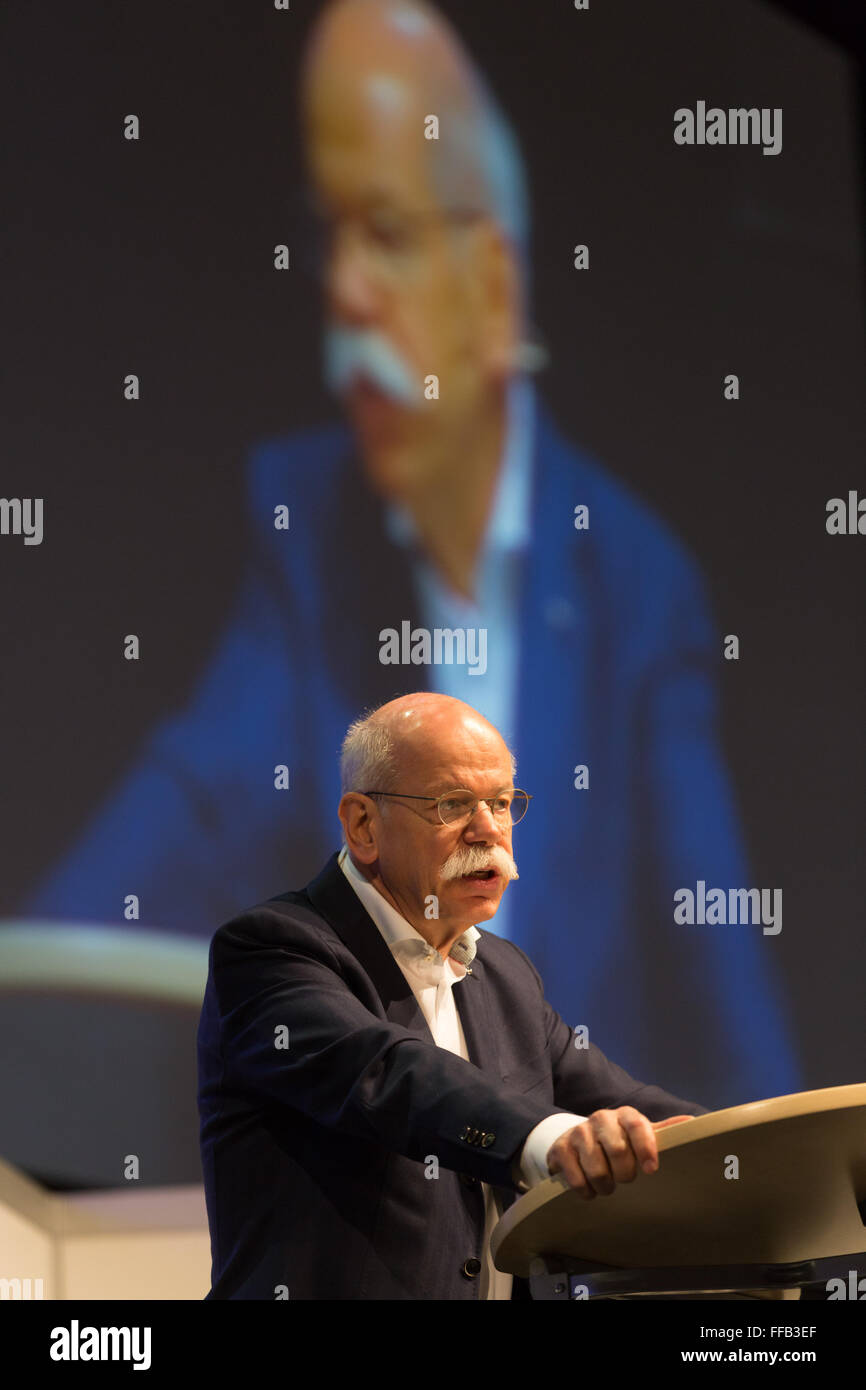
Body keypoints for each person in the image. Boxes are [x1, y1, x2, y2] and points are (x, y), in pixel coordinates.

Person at [23, 0, 799, 1106]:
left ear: (491, 285)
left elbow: (728, 1009)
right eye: (330, 232)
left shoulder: (636, 587)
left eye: (384, 233)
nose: (341, 289)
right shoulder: (304, 526)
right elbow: (159, 840)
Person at [197, 692, 706, 1300]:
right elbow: (389, 1074)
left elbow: (618, 1102)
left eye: (500, 802)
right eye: (453, 804)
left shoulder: (505, 973)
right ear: (363, 824)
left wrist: (758, 1155)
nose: (489, 829)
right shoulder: (273, 950)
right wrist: (552, 1139)